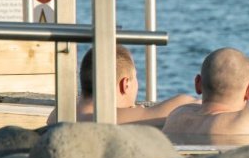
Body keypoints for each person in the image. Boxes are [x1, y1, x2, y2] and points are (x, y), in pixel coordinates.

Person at [47, 44, 196, 126]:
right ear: (125, 84)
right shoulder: (117, 119)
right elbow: (186, 102)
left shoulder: (57, 114)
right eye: (135, 77)